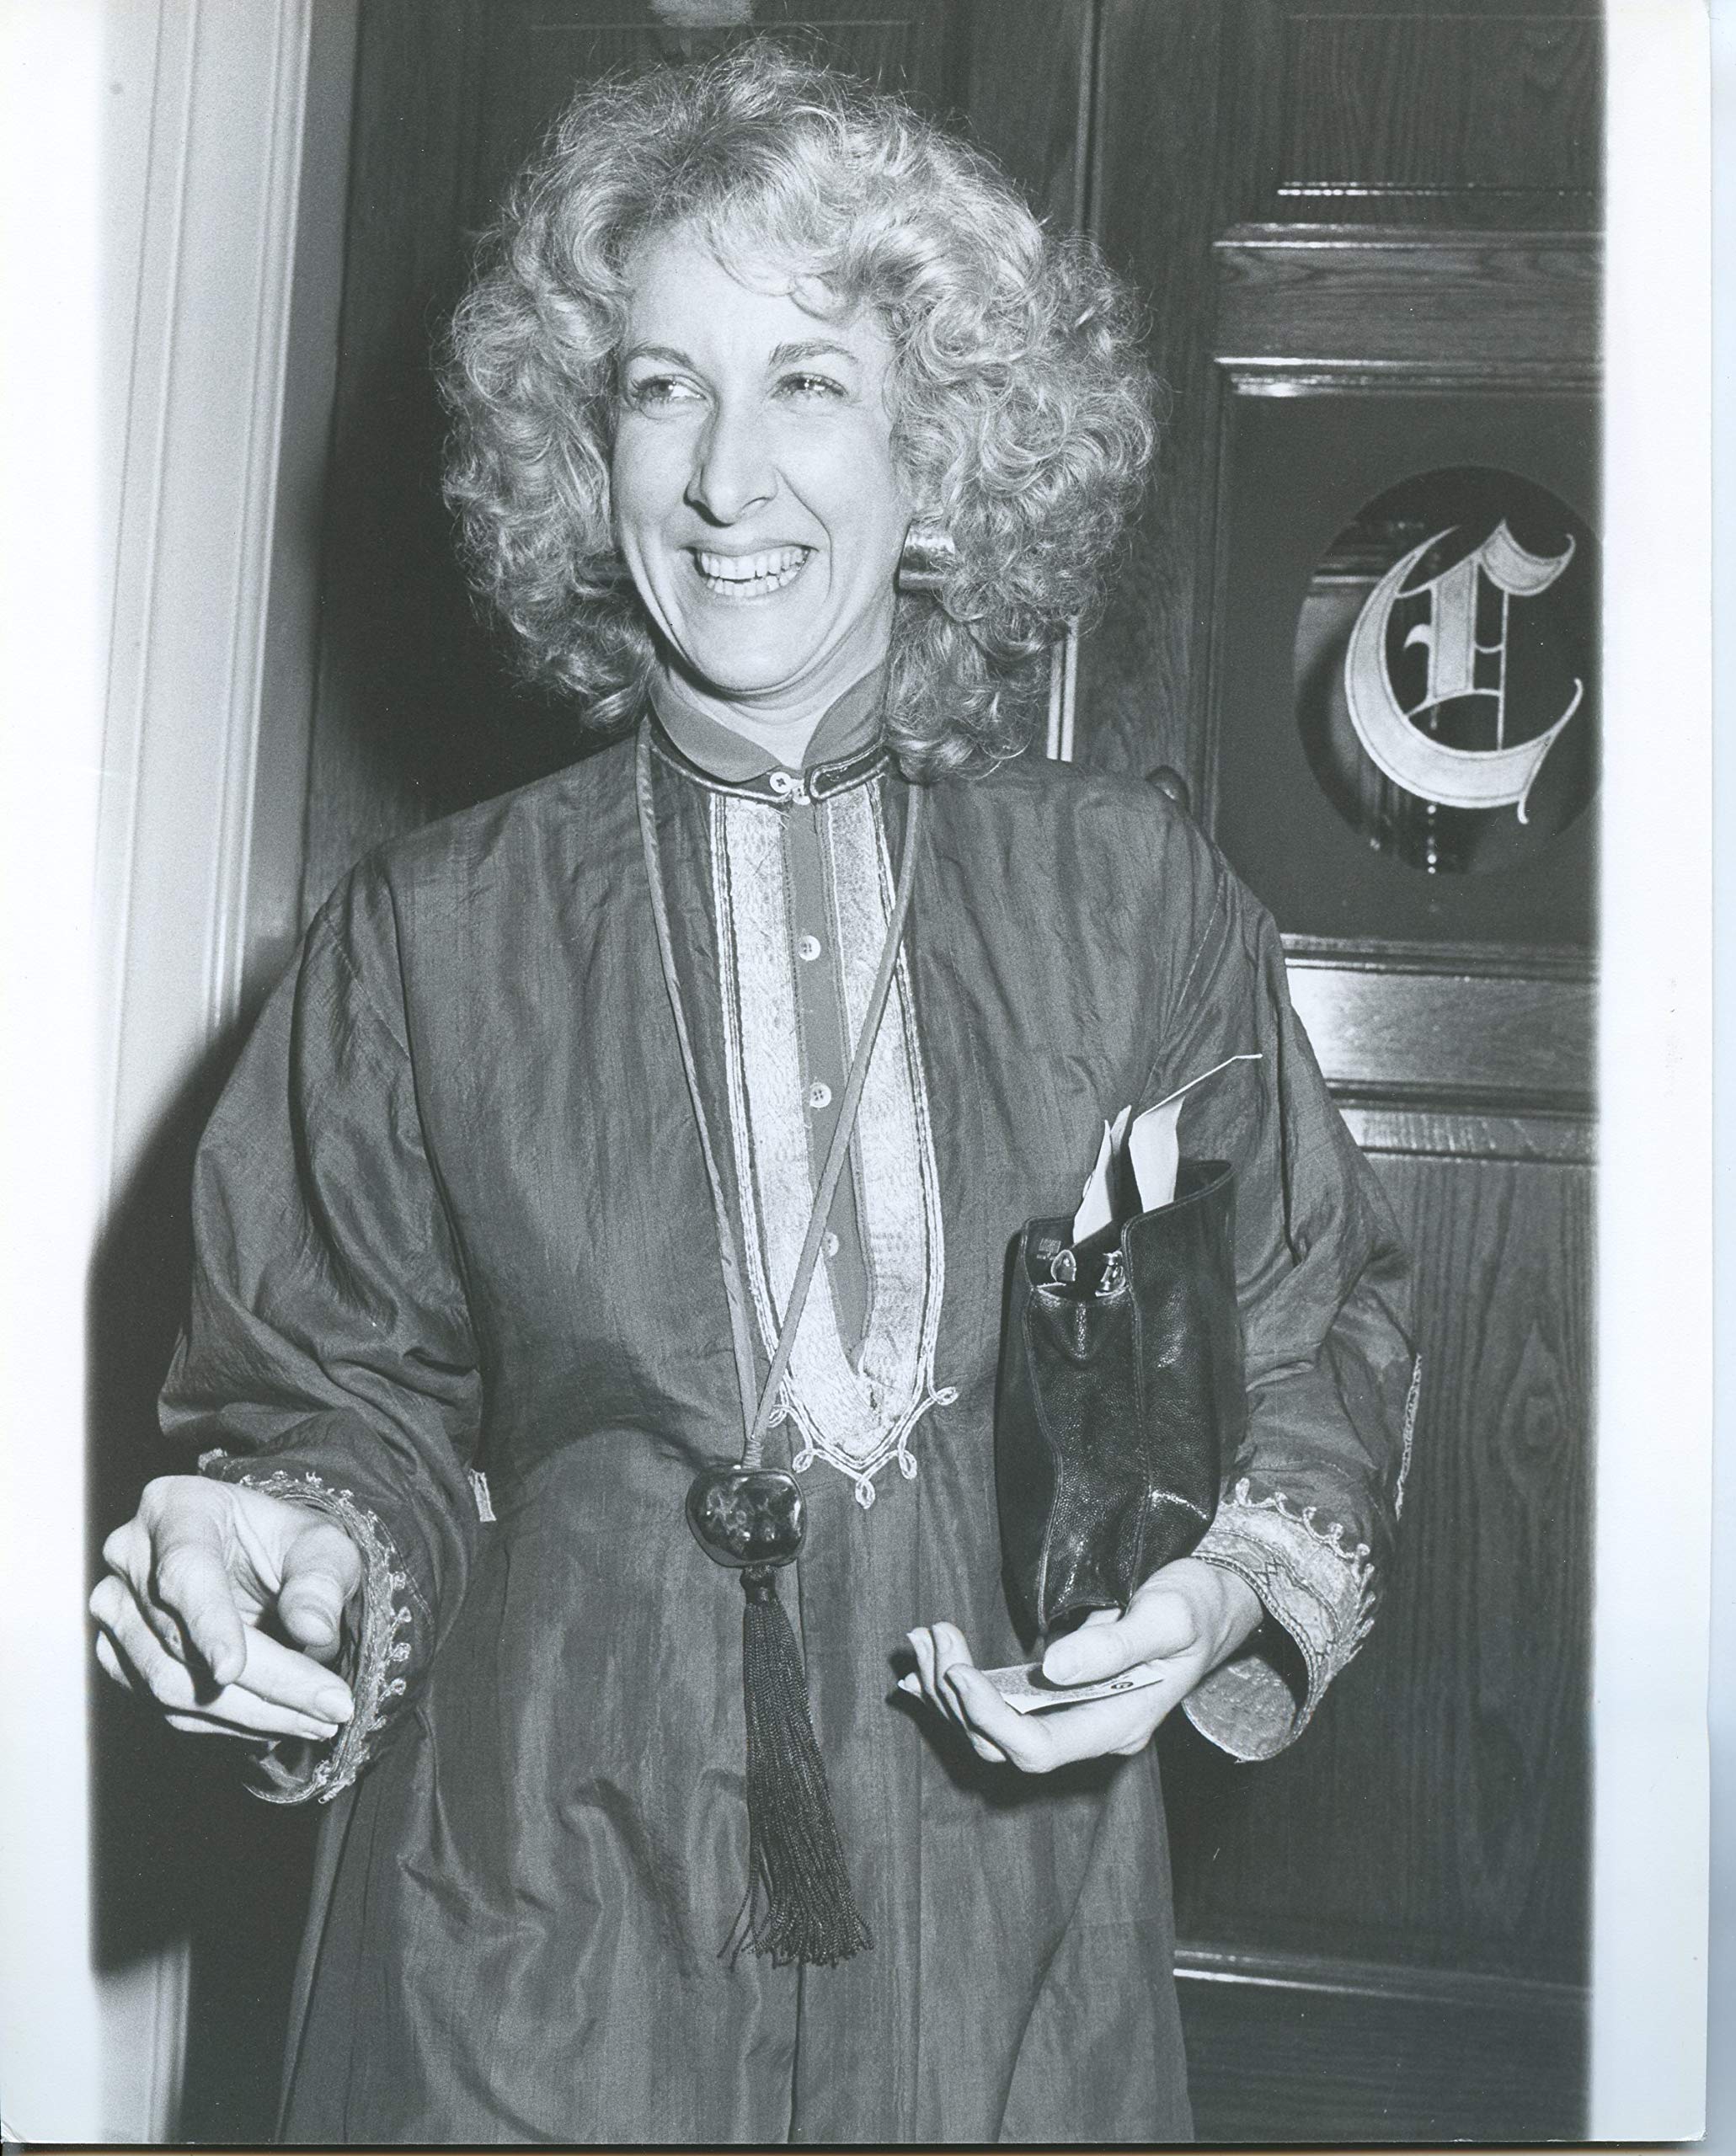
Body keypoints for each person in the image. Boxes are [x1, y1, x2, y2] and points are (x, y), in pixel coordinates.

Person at [91, 42, 1416, 2144]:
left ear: (936, 448)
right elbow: (342, 1399)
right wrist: (296, 1541)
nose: (723, 476)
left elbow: (1294, 1324)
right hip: (527, 1924)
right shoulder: (425, 935)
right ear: (582, 449)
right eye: (658, 386)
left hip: (1000, 1927)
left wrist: (1213, 1588)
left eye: (804, 379)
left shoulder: (1130, 899)